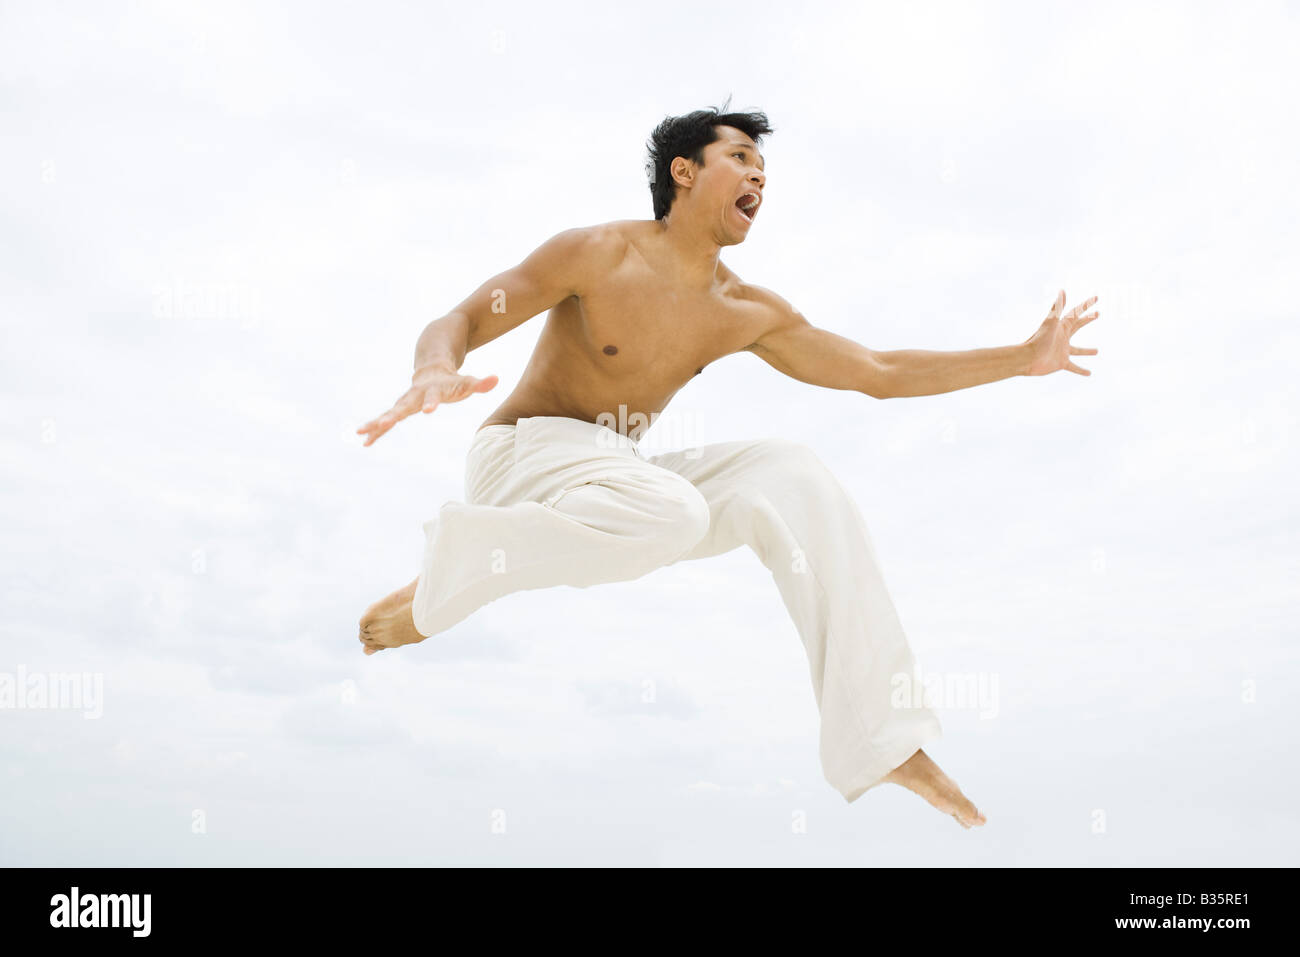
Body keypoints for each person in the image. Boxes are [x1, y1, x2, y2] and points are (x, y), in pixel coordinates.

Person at [355, 102, 1100, 828]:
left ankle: (884, 738)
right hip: (524, 457)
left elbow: (876, 368)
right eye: (740, 158)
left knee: (793, 475)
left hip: (615, 473)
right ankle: (449, 576)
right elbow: (461, 317)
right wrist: (431, 370)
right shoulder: (596, 252)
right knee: (674, 513)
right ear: (683, 171)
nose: (760, 178)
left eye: (764, 167)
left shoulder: (743, 308)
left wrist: (1019, 359)